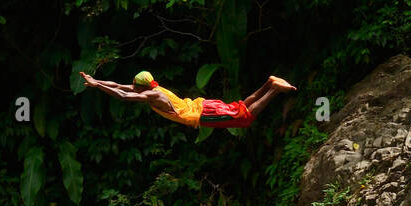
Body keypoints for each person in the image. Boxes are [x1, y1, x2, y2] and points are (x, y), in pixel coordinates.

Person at [79, 70, 296, 130]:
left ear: (141, 87)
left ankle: (273, 90)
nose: (133, 88)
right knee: (239, 106)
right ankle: (269, 82)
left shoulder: (150, 95)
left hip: (202, 114)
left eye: (136, 86)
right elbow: (119, 85)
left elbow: (125, 95)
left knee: (244, 117)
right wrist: (96, 81)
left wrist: (97, 86)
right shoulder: (153, 86)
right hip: (202, 104)